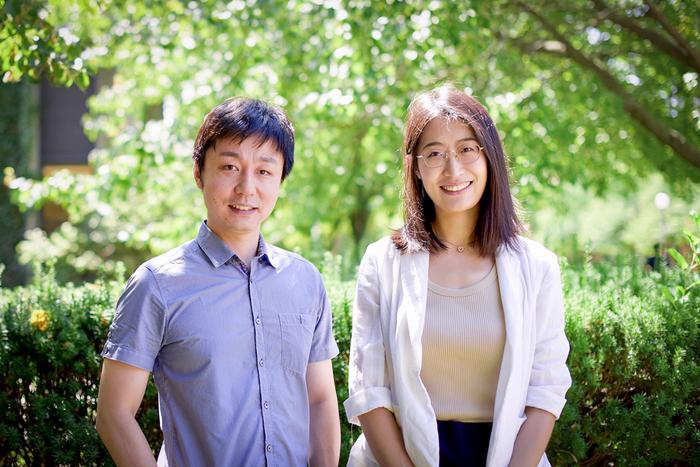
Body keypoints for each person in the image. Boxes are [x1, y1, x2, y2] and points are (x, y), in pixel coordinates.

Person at [96, 97, 340, 466]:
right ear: (199, 173)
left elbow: (320, 399)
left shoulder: (305, 281)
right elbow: (113, 414)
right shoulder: (157, 285)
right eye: (229, 166)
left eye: (264, 171)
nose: (246, 188)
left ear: (280, 180)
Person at [344, 85, 571, 467]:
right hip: (399, 457)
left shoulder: (537, 266)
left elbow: (544, 391)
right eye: (434, 153)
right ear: (415, 167)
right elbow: (369, 391)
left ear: (490, 157)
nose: (453, 169)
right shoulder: (382, 262)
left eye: (467, 149)